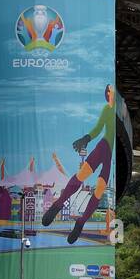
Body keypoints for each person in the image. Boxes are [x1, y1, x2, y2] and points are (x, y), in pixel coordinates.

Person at [42, 84, 115, 243]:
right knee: (82, 175)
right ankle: (58, 205)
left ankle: (80, 222)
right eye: (111, 88)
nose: (114, 88)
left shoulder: (117, 110)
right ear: (108, 93)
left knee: (100, 189)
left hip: (109, 154)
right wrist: (86, 138)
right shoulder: (107, 109)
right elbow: (98, 128)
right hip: (102, 147)